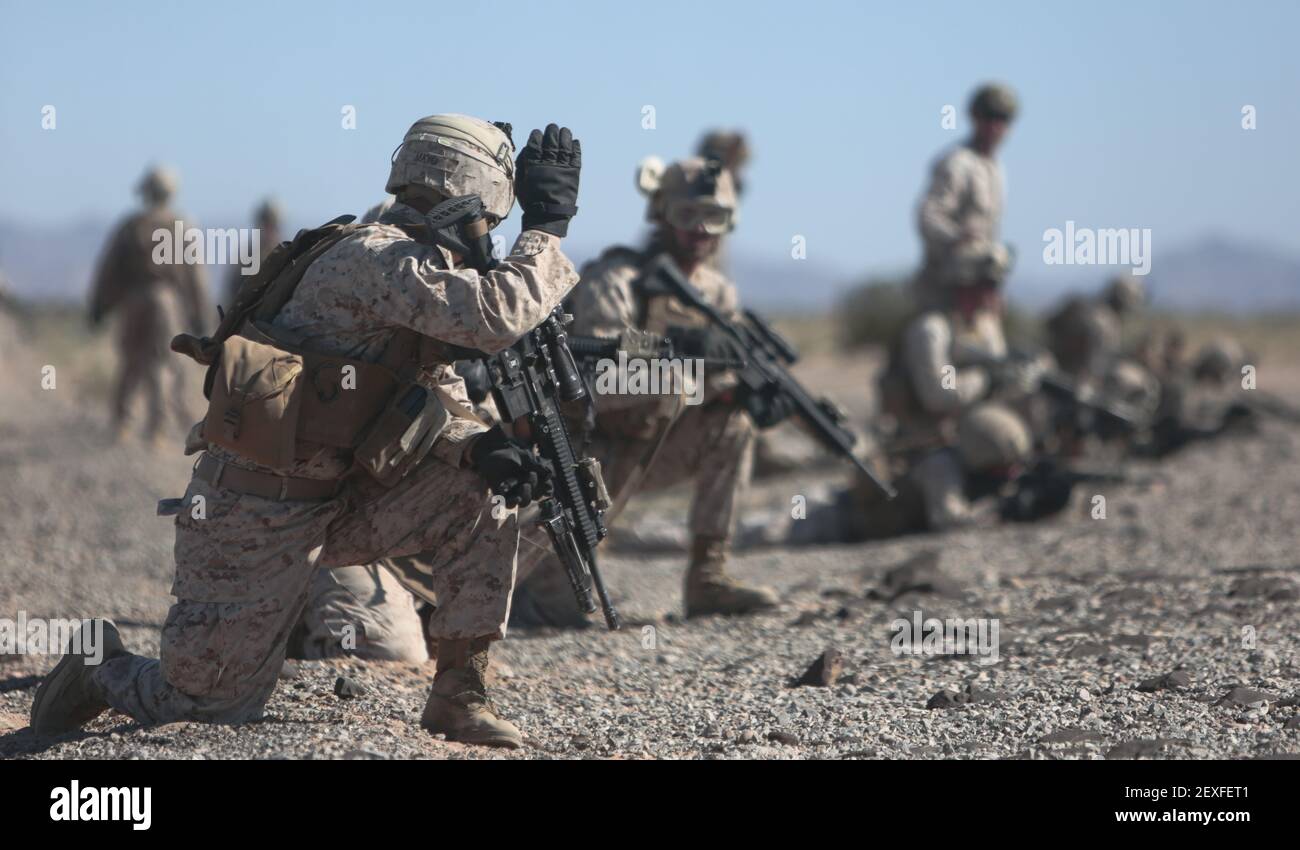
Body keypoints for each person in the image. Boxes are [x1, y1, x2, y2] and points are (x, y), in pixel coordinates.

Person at [31, 115, 584, 749]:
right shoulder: (372, 257)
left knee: (482, 495)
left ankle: (459, 694)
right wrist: (547, 231)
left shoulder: (423, 275)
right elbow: (496, 315)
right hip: (256, 512)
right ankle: (101, 667)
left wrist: (480, 446)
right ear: (484, 189)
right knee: (205, 709)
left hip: (346, 501)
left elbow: (438, 395)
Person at [512, 156, 787, 627]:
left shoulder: (717, 293)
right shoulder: (618, 279)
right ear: (661, 214)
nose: (701, 231)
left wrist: (737, 388)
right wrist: (680, 350)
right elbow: (595, 359)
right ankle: (534, 584)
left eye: (714, 219)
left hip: (659, 441)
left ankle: (708, 576)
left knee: (732, 423)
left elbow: (705, 387)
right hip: (587, 438)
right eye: (687, 217)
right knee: (552, 610)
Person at [89, 165, 209, 445]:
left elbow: (108, 268)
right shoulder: (182, 226)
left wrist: (99, 306)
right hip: (166, 302)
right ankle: (157, 430)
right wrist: (201, 316)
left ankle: (122, 424)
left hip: (133, 300)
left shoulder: (131, 225)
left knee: (131, 360)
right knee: (161, 363)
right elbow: (196, 276)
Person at [914, 83, 1017, 311]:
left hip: (980, 294)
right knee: (932, 338)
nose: (995, 126)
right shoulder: (957, 163)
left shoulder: (996, 169)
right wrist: (958, 237)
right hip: (944, 287)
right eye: (989, 117)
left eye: (1003, 119)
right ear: (975, 118)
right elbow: (928, 216)